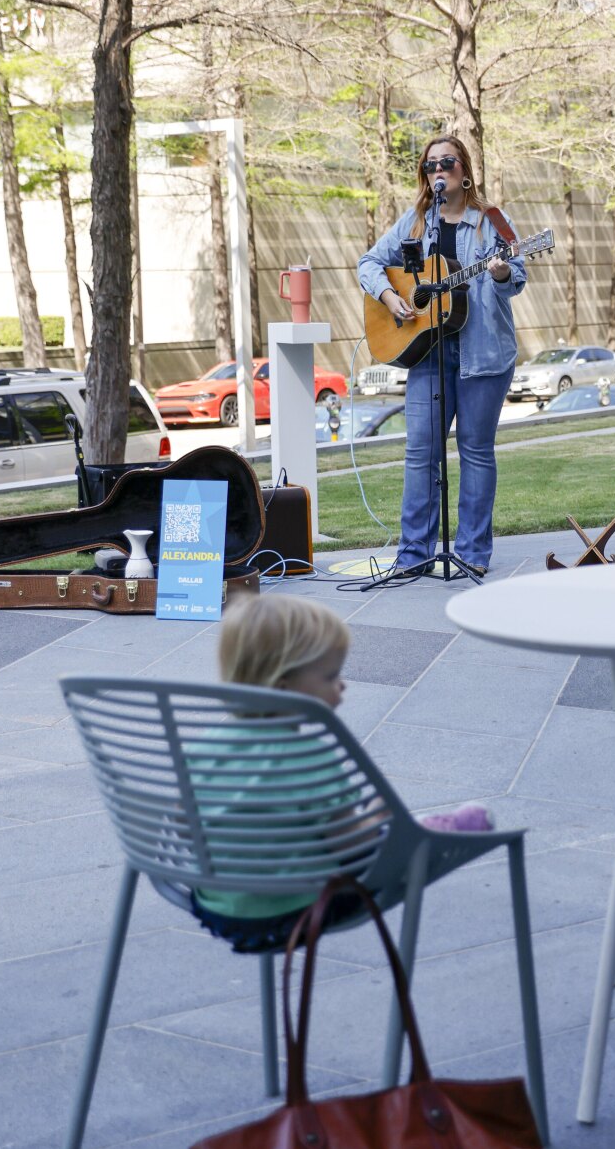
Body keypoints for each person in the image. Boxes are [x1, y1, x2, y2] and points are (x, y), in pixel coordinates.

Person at [191, 594, 490, 952]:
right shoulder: (313, 759)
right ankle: (428, 833)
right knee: (389, 841)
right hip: (299, 911)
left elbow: (185, 825)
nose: (343, 684)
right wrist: (377, 819)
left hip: (217, 909)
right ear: (283, 688)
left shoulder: (201, 749)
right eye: (331, 675)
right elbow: (353, 846)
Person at [357, 136, 527, 578]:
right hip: (427, 350)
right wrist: (392, 298)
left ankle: (471, 553)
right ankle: (413, 556)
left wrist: (503, 270)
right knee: (420, 453)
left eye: (447, 162)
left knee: (475, 451)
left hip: (483, 353)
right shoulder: (415, 222)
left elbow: (518, 276)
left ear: (464, 171)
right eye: (431, 164)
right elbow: (369, 264)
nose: (439, 170)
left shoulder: (492, 220)